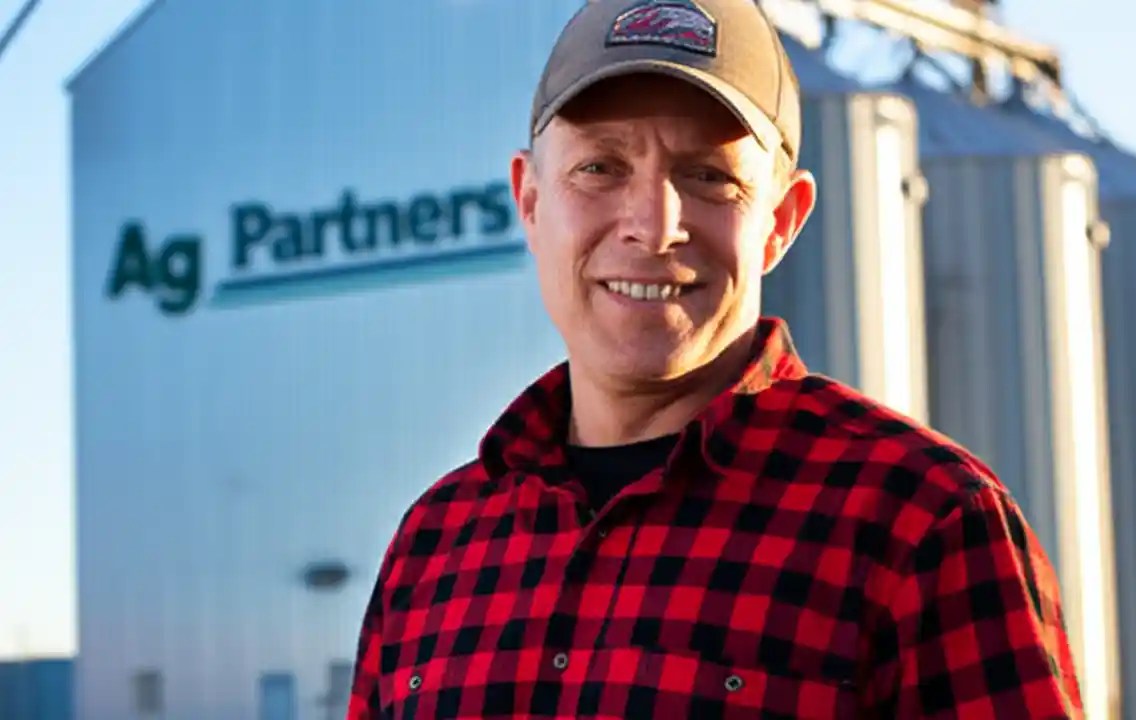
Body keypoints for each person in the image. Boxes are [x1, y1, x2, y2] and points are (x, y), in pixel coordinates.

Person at [347, 0, 1084, 717]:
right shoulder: (437, 543)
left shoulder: (923, 526)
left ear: (780, 222)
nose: (653, 226)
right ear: (531, 202)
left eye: (708, 177)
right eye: (601, 167)